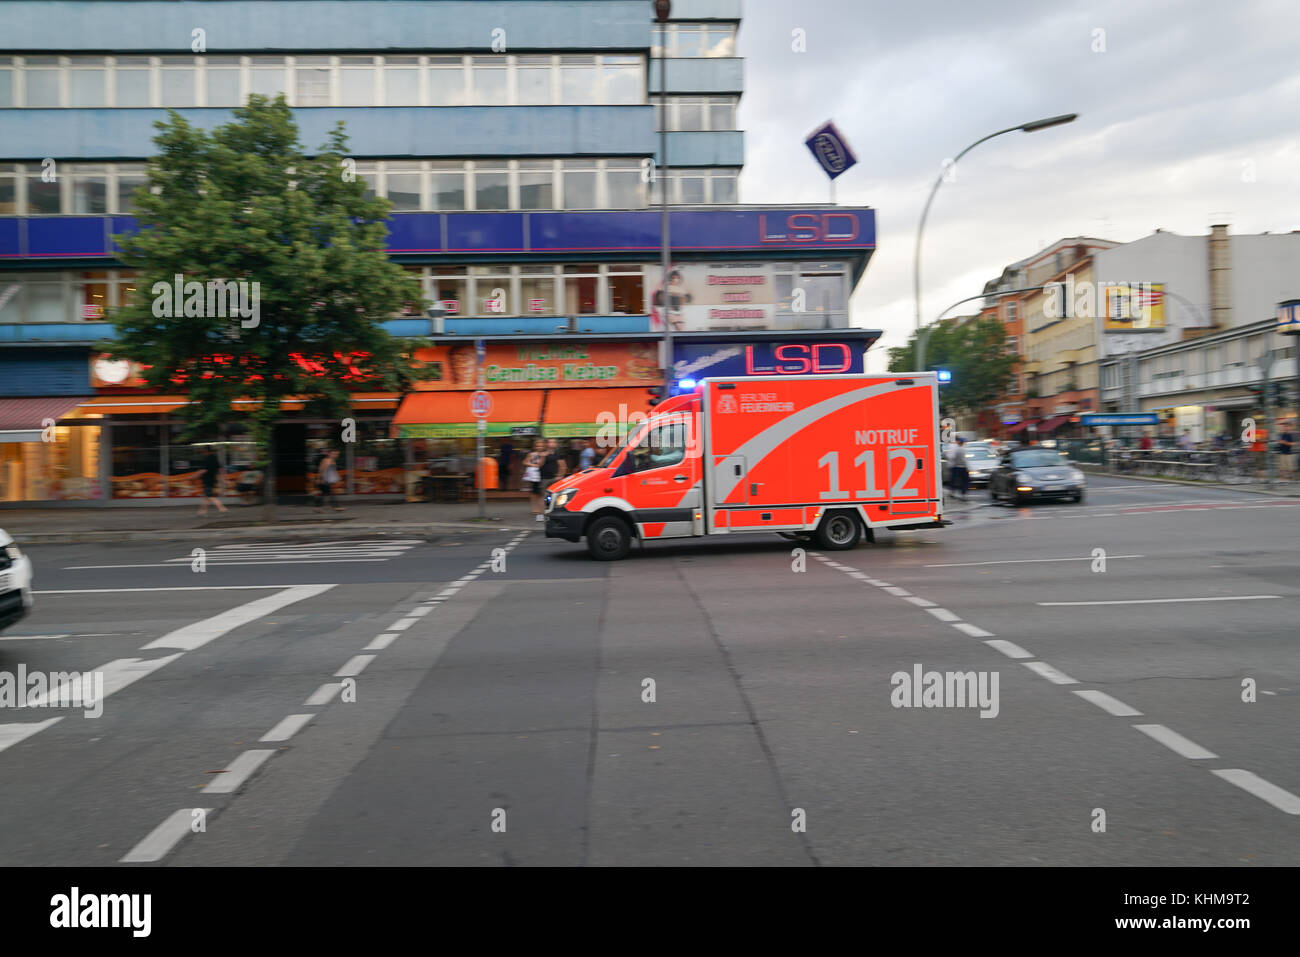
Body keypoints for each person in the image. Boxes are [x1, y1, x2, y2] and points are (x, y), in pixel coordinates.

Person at [198, 447, 228, 516]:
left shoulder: (208, 459)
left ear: (206, 451)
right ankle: (202, 511)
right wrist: (223, 478)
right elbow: (220, 469)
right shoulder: (214, 458)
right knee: (205, 496)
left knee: (210, 496)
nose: (203, 453)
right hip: (212, 479)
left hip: (208, 479)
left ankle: (222, 508)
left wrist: (194, 476)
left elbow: (204, 470)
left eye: (203, 451)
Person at [523, 439, 545, 520]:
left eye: (541, 445)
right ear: (535, 446)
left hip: (543, 475)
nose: (540, 447)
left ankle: (541, 508)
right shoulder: (532, 454)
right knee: (534, 492)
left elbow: (543, 464)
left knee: (541, 493)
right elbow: (525, 462)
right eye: (538, 445)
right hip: (535, 475)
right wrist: (533, 465)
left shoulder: (544, 454)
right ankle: (535, 508)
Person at [950, 436, 970, 501]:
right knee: (965, 481)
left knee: (956, 480)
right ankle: (963, 494)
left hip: (956, 467)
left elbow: (953, 458)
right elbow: (964, 460)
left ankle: (953, 492)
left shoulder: (956, 449)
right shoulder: (962, 450)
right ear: (962, 443)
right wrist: (968, 467)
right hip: (962, 467)